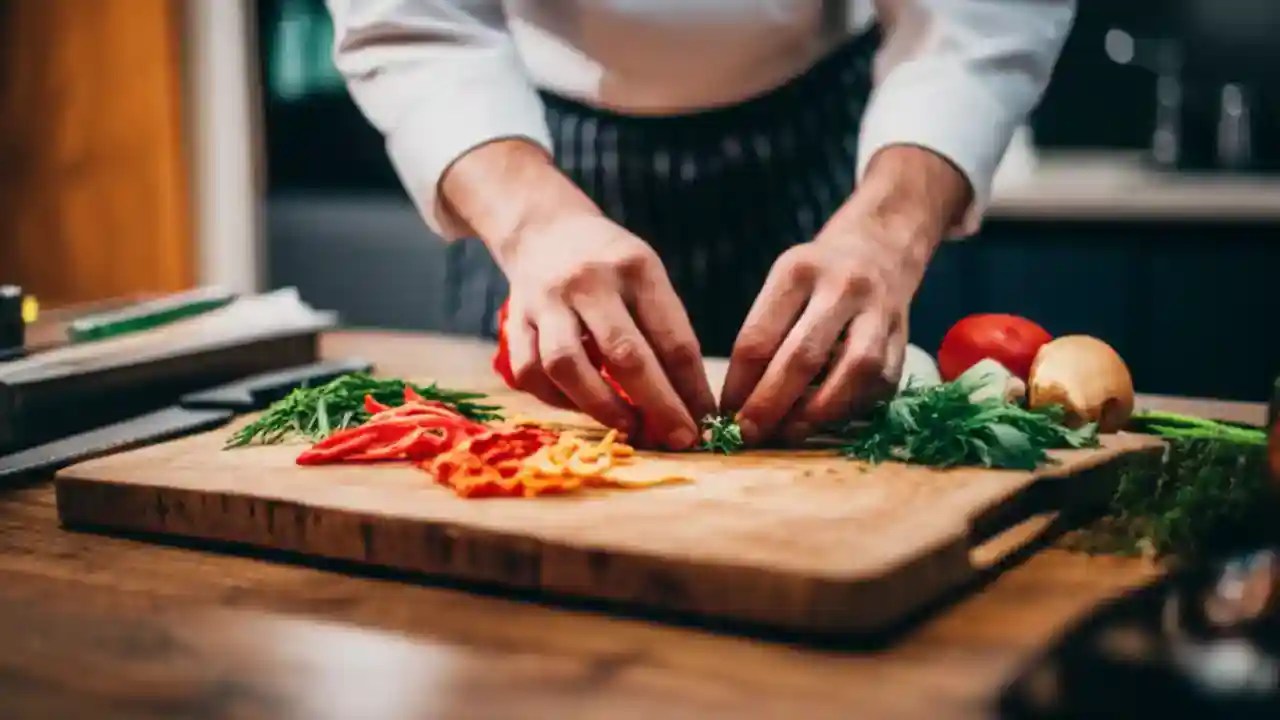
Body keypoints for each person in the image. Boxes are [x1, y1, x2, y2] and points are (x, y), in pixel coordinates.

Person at [326, 0, 1074, 450]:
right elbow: (407, 19)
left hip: (821, 150)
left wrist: (889, 227)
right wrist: (529, 220)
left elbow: (984, 14)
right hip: (526, 150)